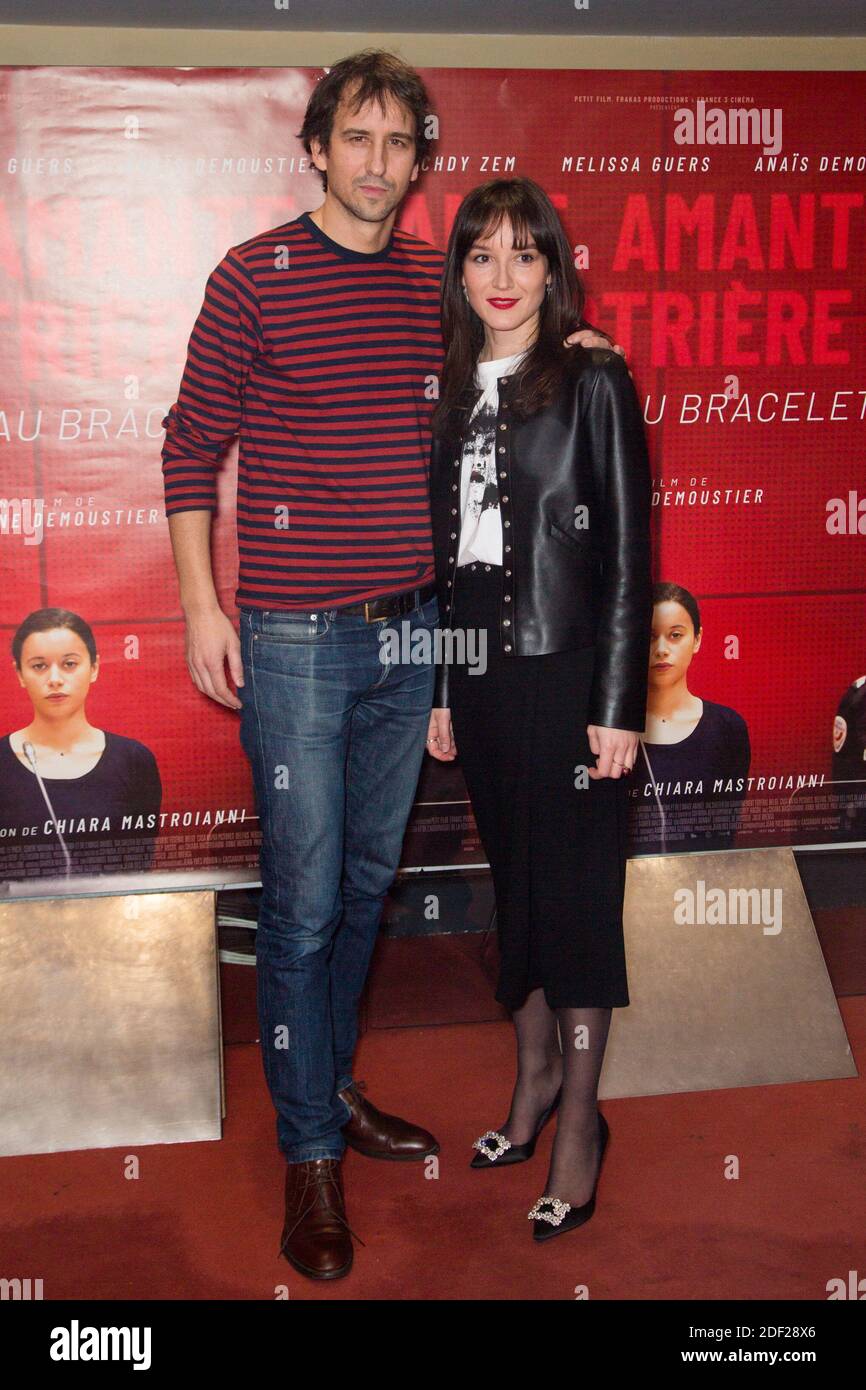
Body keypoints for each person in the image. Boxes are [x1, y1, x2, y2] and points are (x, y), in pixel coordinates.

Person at [160, 50, 621, 1281]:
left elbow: (522, 358)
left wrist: (586, 347)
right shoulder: (250, 276)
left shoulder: (442, 282)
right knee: (303, 902)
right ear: (314, 147)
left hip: (420, 633)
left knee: (364, 885)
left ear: (420, 159)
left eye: (398, 141)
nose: (376, 161)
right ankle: (308, 1151)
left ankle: (332, 1085)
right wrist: (202, 603)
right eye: (352, 138)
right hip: (298, 639)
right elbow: (188, 444)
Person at [427, 176, 653, 1241]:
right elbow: (444, 566)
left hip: (570, 679)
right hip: (477, 674)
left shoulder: (593, 379)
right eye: (482, 256)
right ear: (459, 272)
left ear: (554, 271)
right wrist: (440, 679)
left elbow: (625, 559)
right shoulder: (448, 389)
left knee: (571, 900)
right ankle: (527, 1088)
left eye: (525, 255)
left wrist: (617, 704)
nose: (504, 277)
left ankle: (578, 1125)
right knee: (512, 892)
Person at [2, 608, 162, 880]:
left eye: (70, 664)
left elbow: (137, 868)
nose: (54, 679)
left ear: (94, 668)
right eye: (39, 666)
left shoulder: (134, 761)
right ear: (19, 673)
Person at [631, 583, 751, 854]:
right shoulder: (610, 727)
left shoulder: (727, 728)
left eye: (675, 635)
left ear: (696, 639)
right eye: (649, 637)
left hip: (701, 887)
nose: (661, 649)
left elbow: (724, 832)